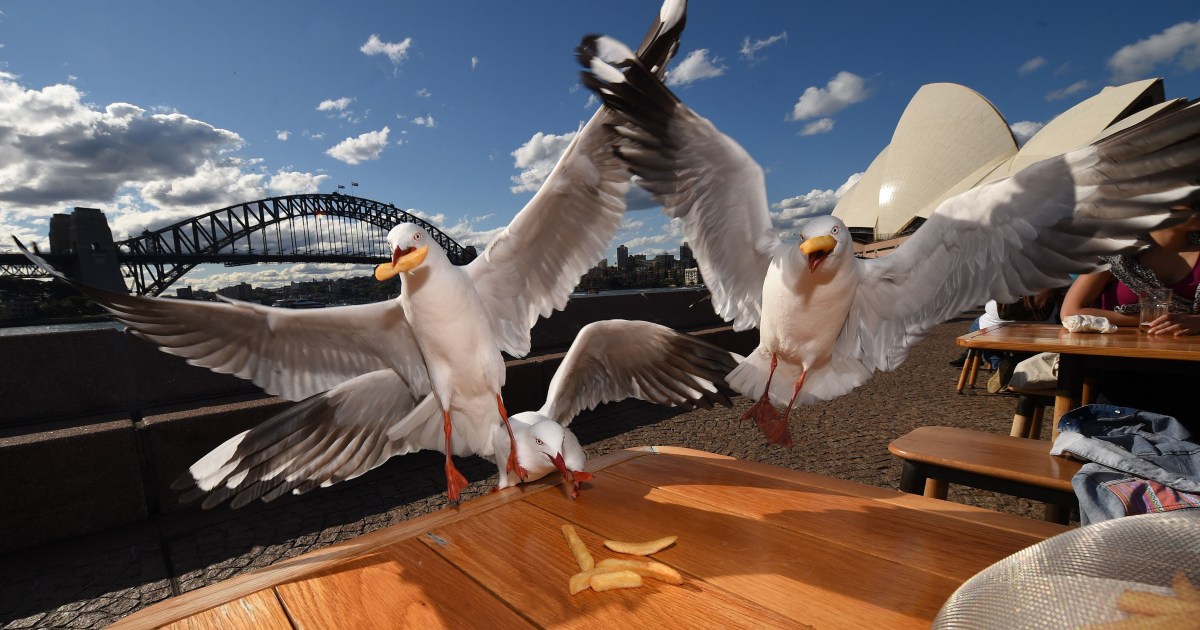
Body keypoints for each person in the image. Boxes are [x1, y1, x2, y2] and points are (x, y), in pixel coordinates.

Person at [1058, 211, 1200, 430]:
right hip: (1120, 367)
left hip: (1188, 370)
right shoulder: (1118, 249)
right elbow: (1071, 311)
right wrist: (1148, 318)